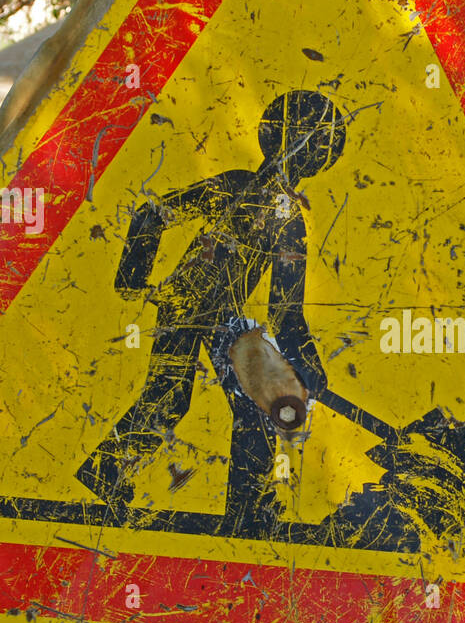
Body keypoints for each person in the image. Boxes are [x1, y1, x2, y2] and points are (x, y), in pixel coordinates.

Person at [75, 90, 345, 531]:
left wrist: (135, 282)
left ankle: (106, 472)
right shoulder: (286, 217)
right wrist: (307, 362)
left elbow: (151, 214)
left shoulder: (241, 184)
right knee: (238, 410)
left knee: (168, 397)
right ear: (318, 158)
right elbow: (285, 313)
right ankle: (248, 514)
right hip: (214, 315)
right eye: (318, 146)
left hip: (187, 303)